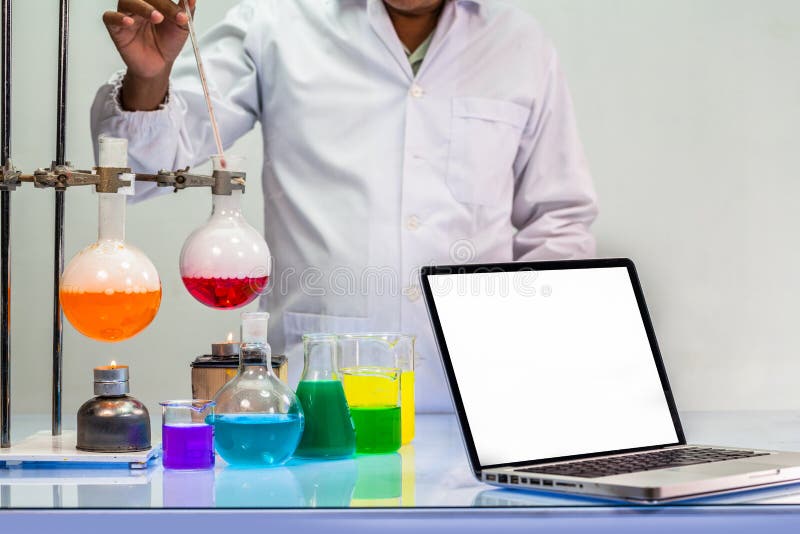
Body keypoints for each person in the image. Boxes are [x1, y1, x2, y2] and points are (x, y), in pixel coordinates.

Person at [92, 0, 598, 412]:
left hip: (480, 404)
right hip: (318, 397)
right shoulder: (276, 21)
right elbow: (139, 170)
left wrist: (535, 365)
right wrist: (149, 80)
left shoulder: (519, 43)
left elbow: (559, 220)